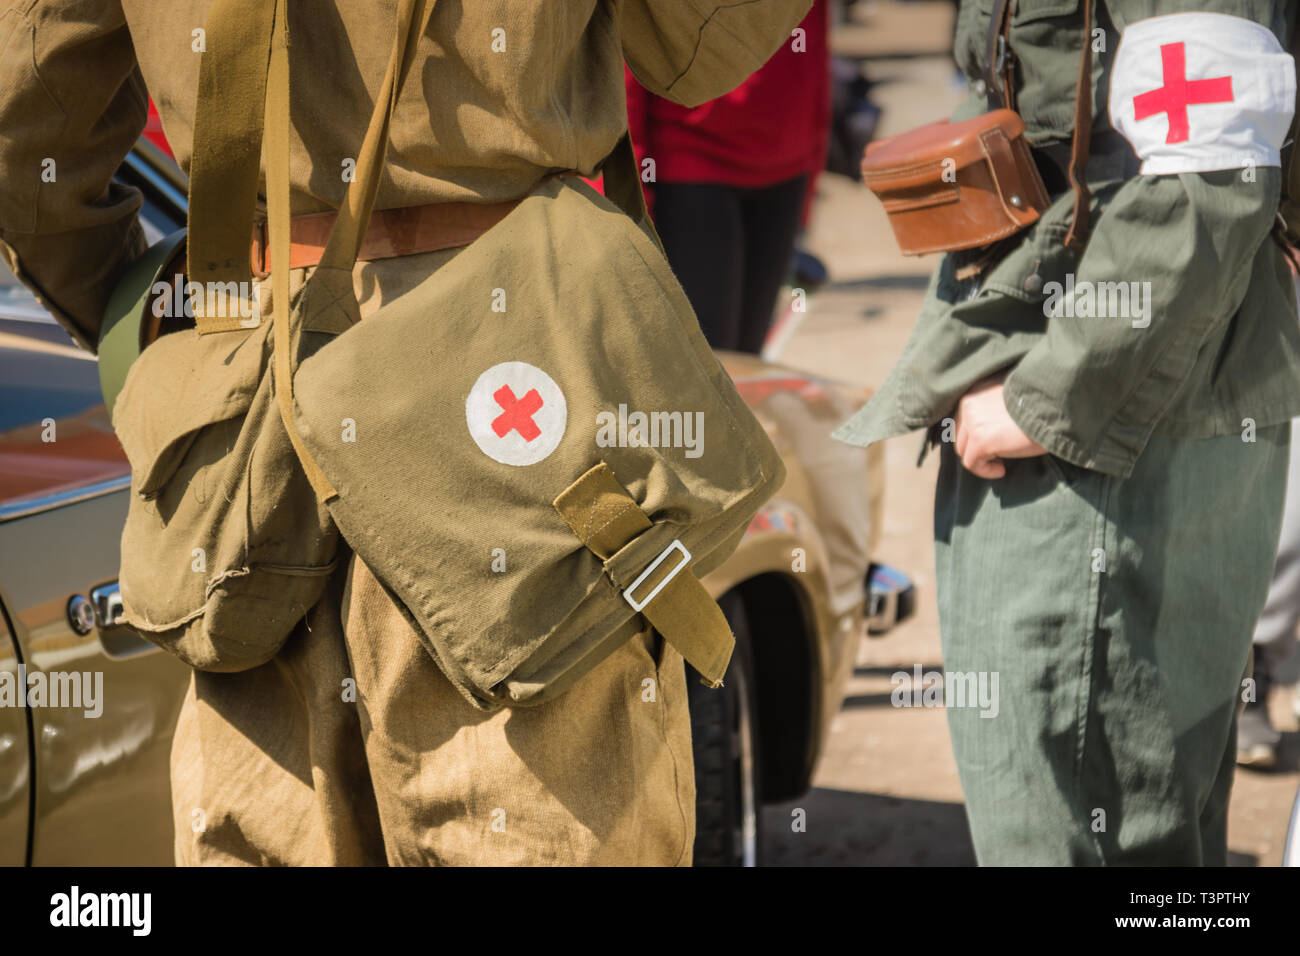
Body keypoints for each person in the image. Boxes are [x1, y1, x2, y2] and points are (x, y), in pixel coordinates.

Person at [0, 0, 811, 866]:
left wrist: (173, 334)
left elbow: (27, 123)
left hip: (250, 436)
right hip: (528, 400)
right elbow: (701, 46)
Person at [836, 0, 1300, 864]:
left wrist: (1054, 395)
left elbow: (1213, 158)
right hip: (1095, 358)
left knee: (1084, 825)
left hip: (1109, 398)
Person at [625, 1, 831, 354]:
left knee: (748, 358)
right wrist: (630, 198)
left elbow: (814, 45)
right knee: (708, 357)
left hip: (786, 163)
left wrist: (811, 163)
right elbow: (627, 64)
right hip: (691, 162)